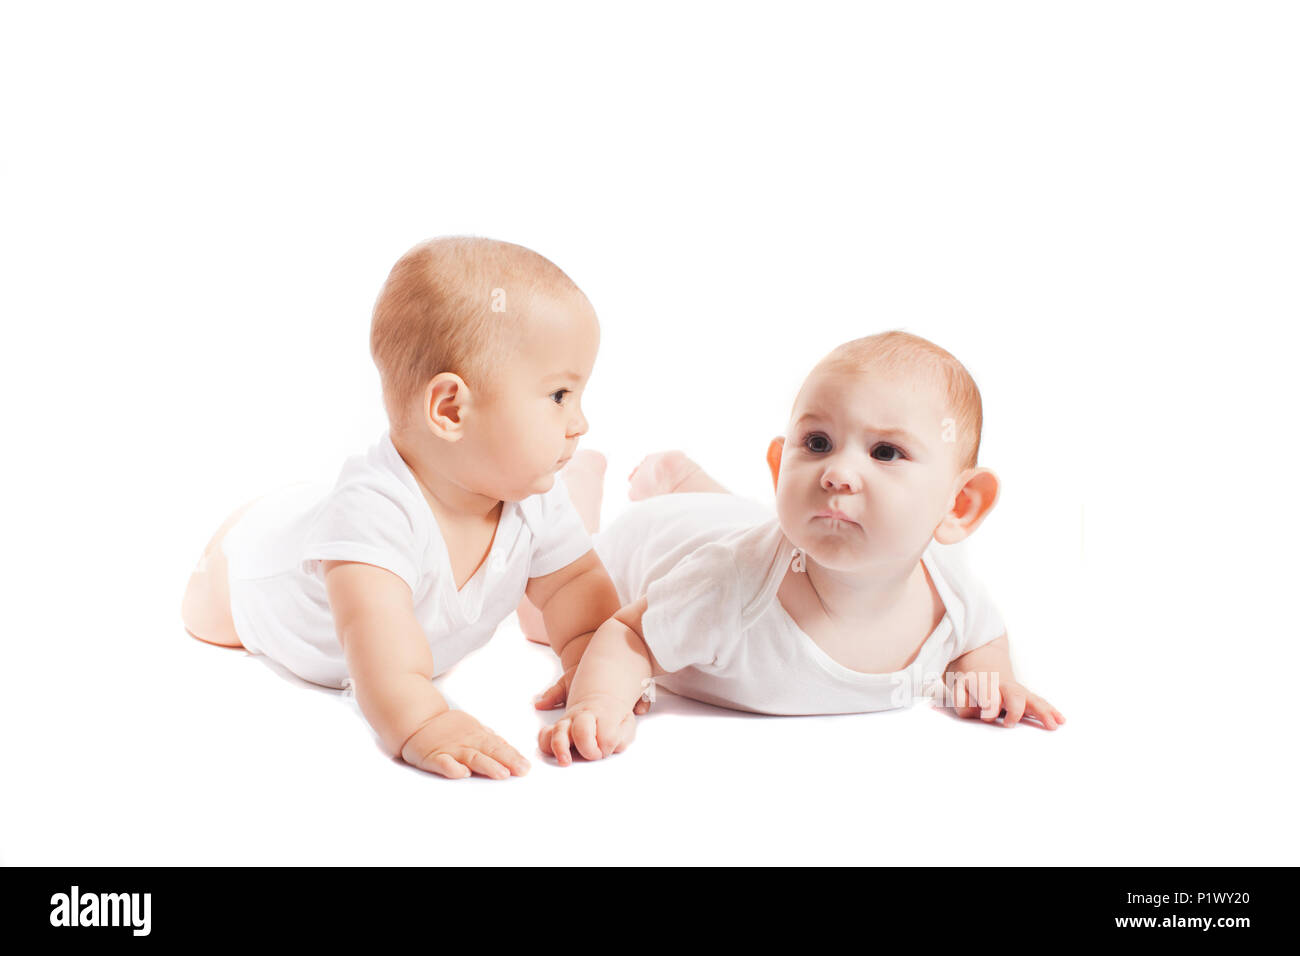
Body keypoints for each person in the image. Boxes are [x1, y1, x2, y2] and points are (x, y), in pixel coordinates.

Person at [181, 236, 624, 780]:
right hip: (246, 575)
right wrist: (425, 724)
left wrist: (596, 677)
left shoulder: (532, 497)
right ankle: (261, 524)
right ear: (450, 409)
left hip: (319, 522)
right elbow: (382, 665)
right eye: (559, 396)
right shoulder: (375, 516)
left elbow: (579, 594)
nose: (580, 422)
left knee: (556, 567)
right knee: (207, 612)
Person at [539, 331, 1066, 765]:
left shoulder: (948, 589)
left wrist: (988, 676)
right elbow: (629, 632)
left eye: (886, 452)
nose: (837, 472)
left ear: (959, 505)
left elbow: (983, 637)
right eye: (816, 444)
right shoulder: (727, 589)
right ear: (780, 467)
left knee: (757, 524)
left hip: (740, 524)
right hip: (660, 537)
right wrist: (601, 701)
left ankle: (683, 477)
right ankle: (575, 503)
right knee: (543, 611)